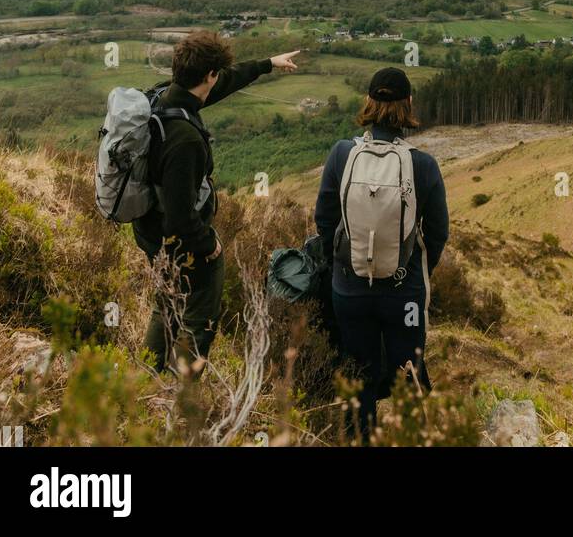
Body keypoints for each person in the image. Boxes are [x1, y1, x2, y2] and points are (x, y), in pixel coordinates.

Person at [133, 28, 299, 376]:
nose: (218, 80)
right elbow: (180, 217)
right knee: (198, 318)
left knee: (166, 303)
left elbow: (223, 84)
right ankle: (182, 401)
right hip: (178, 240)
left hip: (149, 230)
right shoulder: (185, 141)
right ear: (207, 75)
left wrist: (267, 64)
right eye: (216, 73)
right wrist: (210, 248)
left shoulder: (166, 96)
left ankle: (143, 382)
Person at [314, 67, 449, 440]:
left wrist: (341, 267)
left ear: (368, 103)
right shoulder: (423, 165)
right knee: (411, 371)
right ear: (408, 105)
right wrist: (418, 273)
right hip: (403, 294)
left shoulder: (342, 154)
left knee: (359, 376)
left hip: (349, 290)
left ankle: (360, 438)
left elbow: (324, 220)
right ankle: (423, 436)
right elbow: (438, 233)